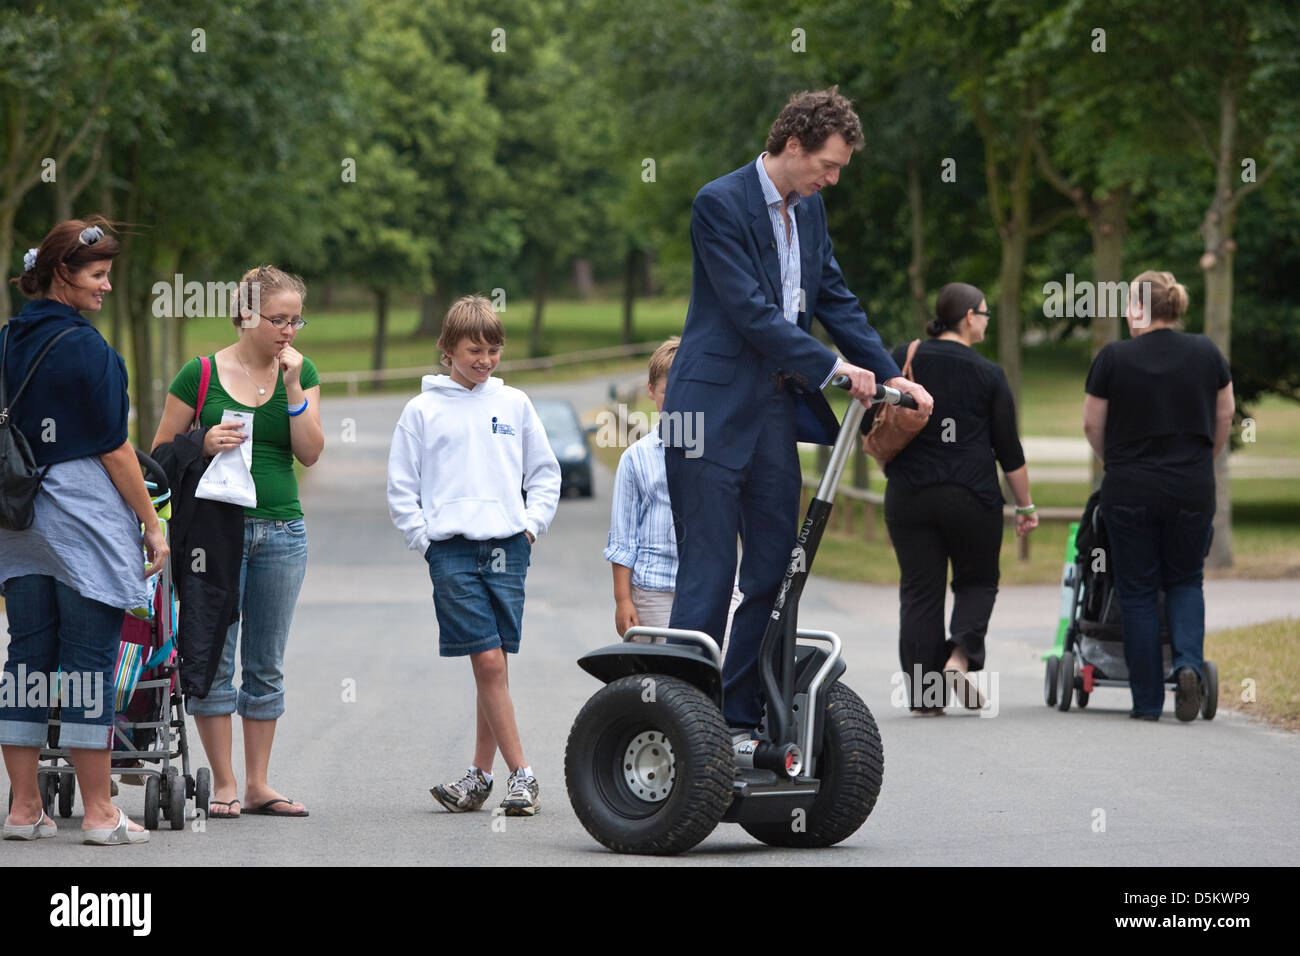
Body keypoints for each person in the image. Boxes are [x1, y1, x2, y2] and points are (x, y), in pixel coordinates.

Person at [662, 87, 934, 732]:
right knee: (708, 571)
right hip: (706, 411)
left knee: (776, 568)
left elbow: (836, 301)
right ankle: (685, 719)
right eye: (828, 166)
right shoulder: (718, 203)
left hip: (772, 414)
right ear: (791, 144)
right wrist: (834, 368)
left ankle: (740, 711)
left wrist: (898, 377)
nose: (832, 180)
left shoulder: (808, 213)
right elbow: (750, 312)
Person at [1, 217, 166, 845]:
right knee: (88, 664)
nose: (104, 288)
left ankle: (23, 809)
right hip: (82, 520)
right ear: (63, 273)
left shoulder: (7, 339)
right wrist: (151, 523)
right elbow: (114, 449)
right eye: (97, 276)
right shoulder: (89, 348)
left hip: (17, 520)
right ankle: (100, 814)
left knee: (26, 660)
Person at [151, 265, 323, 817]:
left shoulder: (302, 371)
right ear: (247, 315)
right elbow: (156, 459)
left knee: (266, 662)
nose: (289, 330)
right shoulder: (198, 374)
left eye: (296, 319)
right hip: (214, 535)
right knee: (215, 655)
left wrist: (294, 388)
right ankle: (223, 784)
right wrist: (202, 441)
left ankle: (259, 783)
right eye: (278, 319)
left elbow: (311, 452)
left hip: (281, 530)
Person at [387, 295, 560, 816]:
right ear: (447, 349)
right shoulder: (422, 410)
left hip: (509, 547)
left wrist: (530, 530)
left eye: (493, 350)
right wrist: (426, 543)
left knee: (494, 666)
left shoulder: (515, 405)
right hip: (452, 551)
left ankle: (478, 778)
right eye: (474, 350)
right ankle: (523, 775)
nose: (484, 360)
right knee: (486, 659)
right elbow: (401, 488)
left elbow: (544, 474)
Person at [876, 283, 1037, 715]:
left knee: (919, 592)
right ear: (969, 318)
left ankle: (926, 700)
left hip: (910, 493)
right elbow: (1010, 452)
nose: (986, 321)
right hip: (972, 495)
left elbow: (871, 419)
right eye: (985, 314)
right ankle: (960, 657)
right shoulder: (989, 375)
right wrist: (1025, 507)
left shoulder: (901, 358)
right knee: (978, 581)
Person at [1083, 271, 1233, 721]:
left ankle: (1147, 701)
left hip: (1130, 486)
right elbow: (1224, 415)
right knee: (1187, 581)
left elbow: (1092, 423)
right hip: (1191, 485)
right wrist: (1203, 458)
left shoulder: (1112, 358)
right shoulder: (1207, 353)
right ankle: (1188, 666)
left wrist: (1118, 460)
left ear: (1138, 311)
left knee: (1138, 590)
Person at [604, 337, 742, 648]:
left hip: (716, 587)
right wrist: (623, 600)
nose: (681, 399)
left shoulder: (723, 452)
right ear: (651, 391)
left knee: (726, 670)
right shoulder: (635, 460)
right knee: (668, 680)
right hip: (655, 591)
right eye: (670, 391)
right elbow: (622, 541)